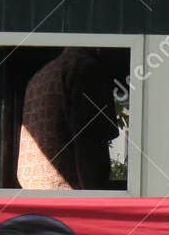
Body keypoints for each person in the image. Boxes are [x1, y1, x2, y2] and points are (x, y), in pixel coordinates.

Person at [16, 47, 120, 190]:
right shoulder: (84, 68)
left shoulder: (39, 77)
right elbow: (89, 141)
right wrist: (94, 195)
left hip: (32, 190)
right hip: (68, 191)